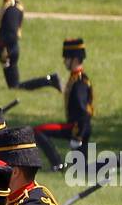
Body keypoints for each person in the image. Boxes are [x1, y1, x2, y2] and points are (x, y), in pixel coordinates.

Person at [34, 39, 93, 171]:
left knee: (38, 130)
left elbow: (83, 111)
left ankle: (57, 164)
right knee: (81, 171)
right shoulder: (77, 77)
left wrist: (78, 135)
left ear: (75, 59)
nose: (64, 61)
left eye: (67, 58)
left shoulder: (79, 81)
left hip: (77, 127)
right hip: (80, 127)